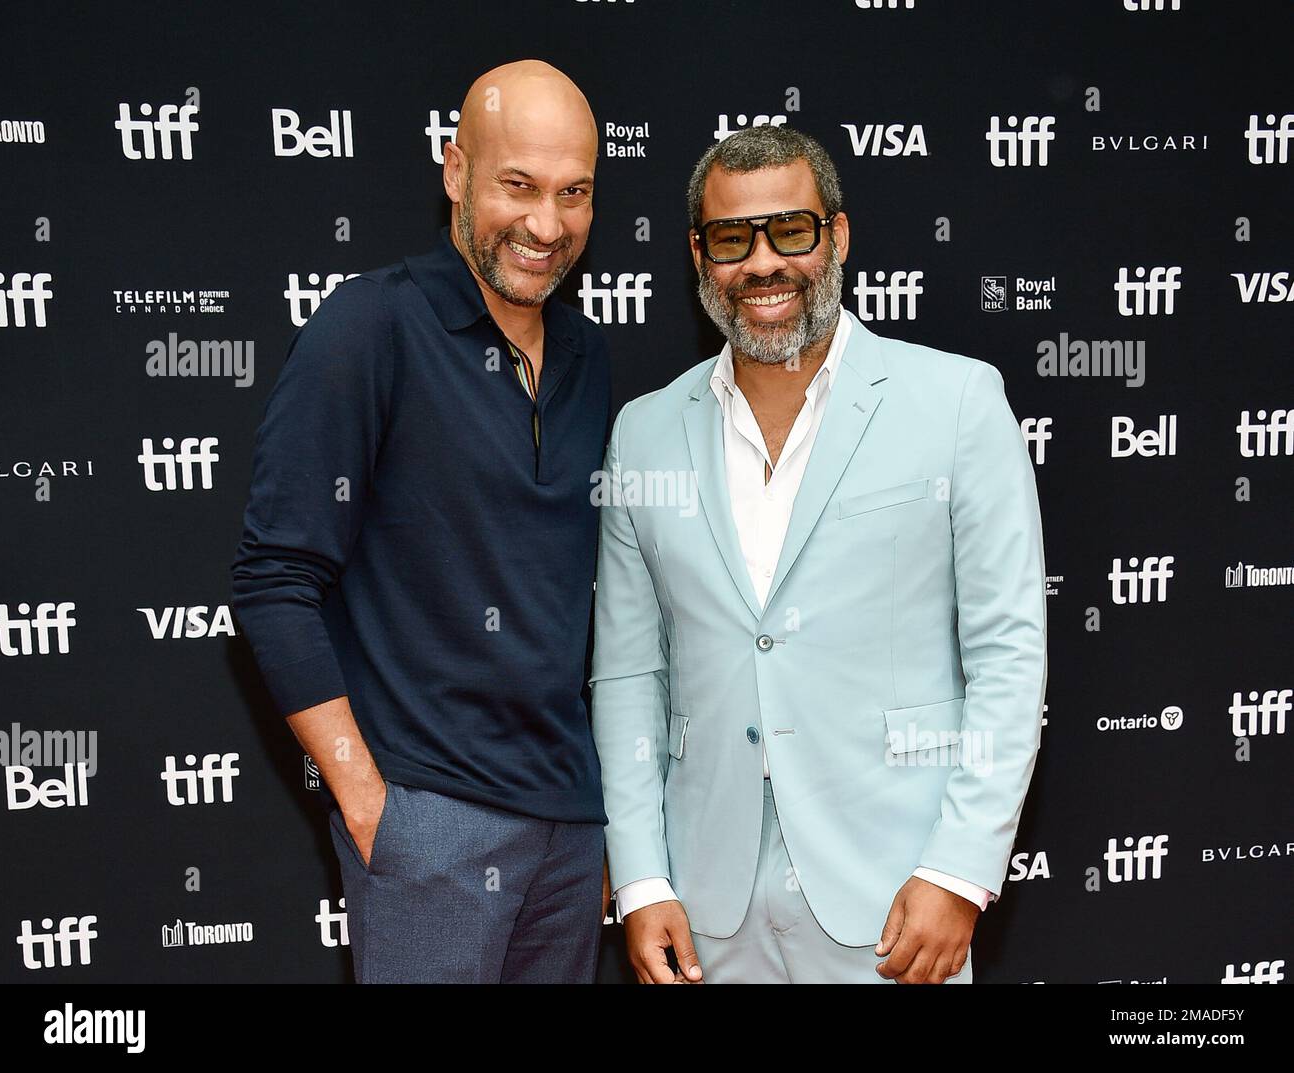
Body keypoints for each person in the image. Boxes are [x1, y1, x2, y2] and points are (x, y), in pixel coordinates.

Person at [590, 125, 1048, 983]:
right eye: (733, 238)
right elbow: (626, 676)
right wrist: (643, 876)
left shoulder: (957, 402)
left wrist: (959, 867)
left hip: (896, 898)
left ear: (836, 236)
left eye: (790, 230)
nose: (763, 263)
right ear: (699, 255)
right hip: (704, 906)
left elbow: (1009, 655)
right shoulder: (643, 433)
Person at [231, 59, 611, 983]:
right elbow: (273, 580)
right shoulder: (369, 328)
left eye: (574, 194)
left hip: (572, 830)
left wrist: (604, 820)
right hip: (430, 822)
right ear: (455, 172)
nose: (546, 225)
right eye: (518, 186)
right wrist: (374, 807)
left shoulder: (591, 356)